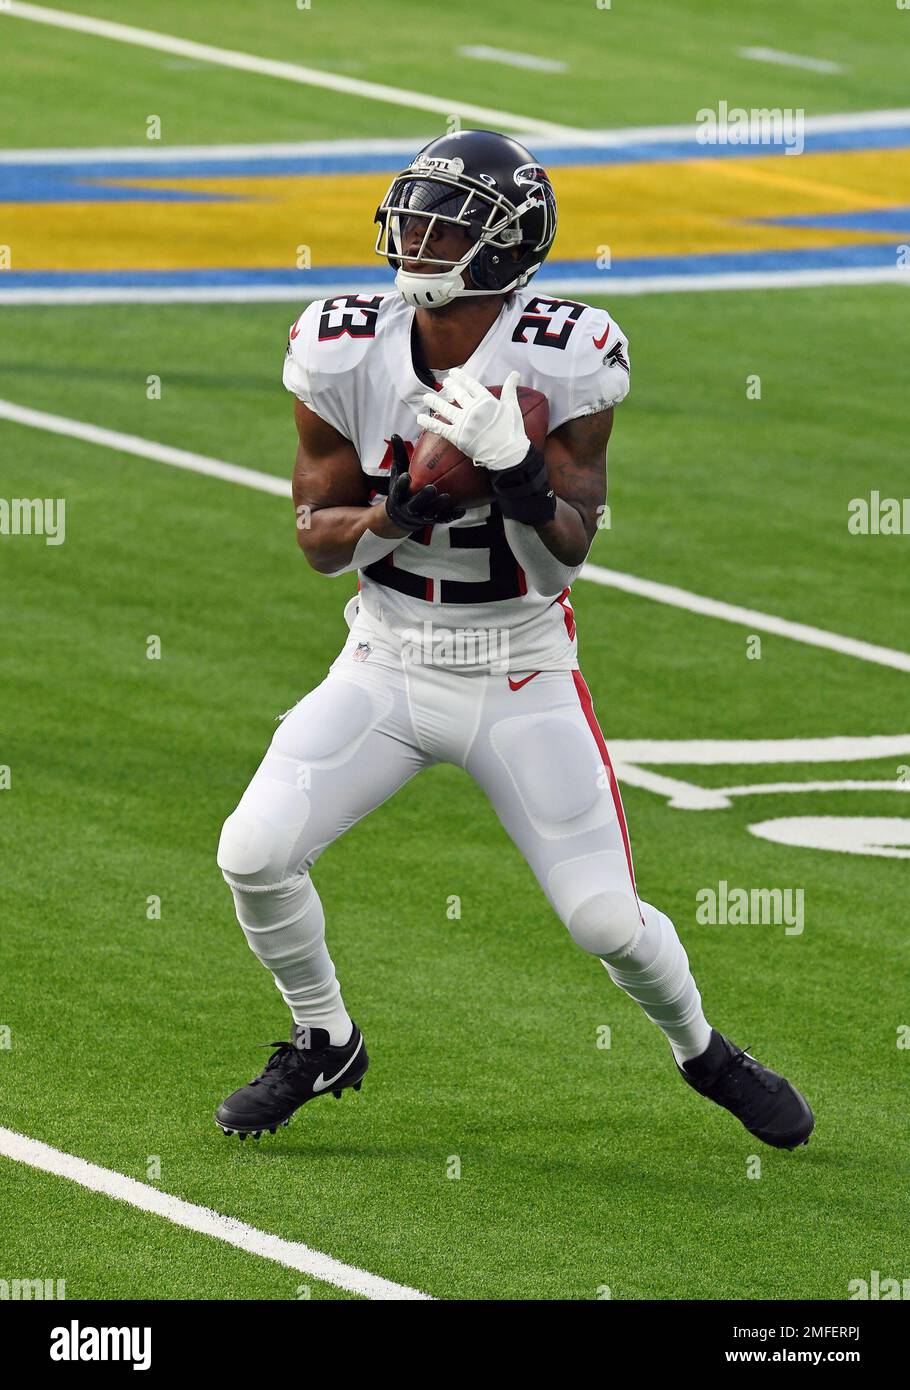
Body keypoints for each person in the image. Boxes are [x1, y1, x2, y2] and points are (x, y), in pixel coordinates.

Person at [214, 130, 814, 1151]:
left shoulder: (566, 355)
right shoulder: (342, 341)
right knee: (253, 852)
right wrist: (397, 511)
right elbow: (318, 544)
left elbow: (563, 554)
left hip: (518, 668)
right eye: (412, 209)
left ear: (506, 248)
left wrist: (520, 477)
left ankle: (704, 1050)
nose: (415, 234)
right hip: (387, 661)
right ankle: (324, 1037)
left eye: (447, 220)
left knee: (604, 922)